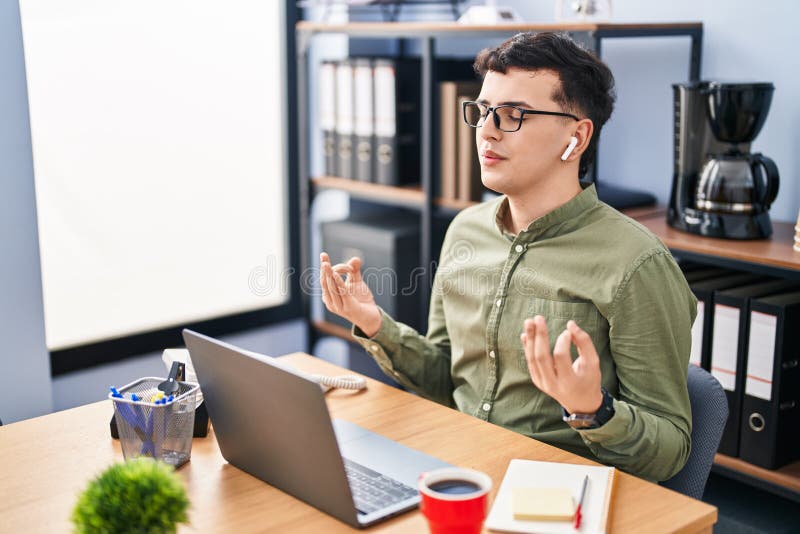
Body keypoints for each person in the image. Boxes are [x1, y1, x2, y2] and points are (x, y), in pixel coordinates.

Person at [319, 32, 696, 482]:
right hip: (458, 465)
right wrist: (376, 324)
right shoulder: (465, 229)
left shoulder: (637, 264)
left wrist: (593, 408)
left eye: (514, 114)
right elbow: (447, 380)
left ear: (576, 138)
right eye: (482, 112)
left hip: (551, 490)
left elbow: (671, 448)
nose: (487, 130)